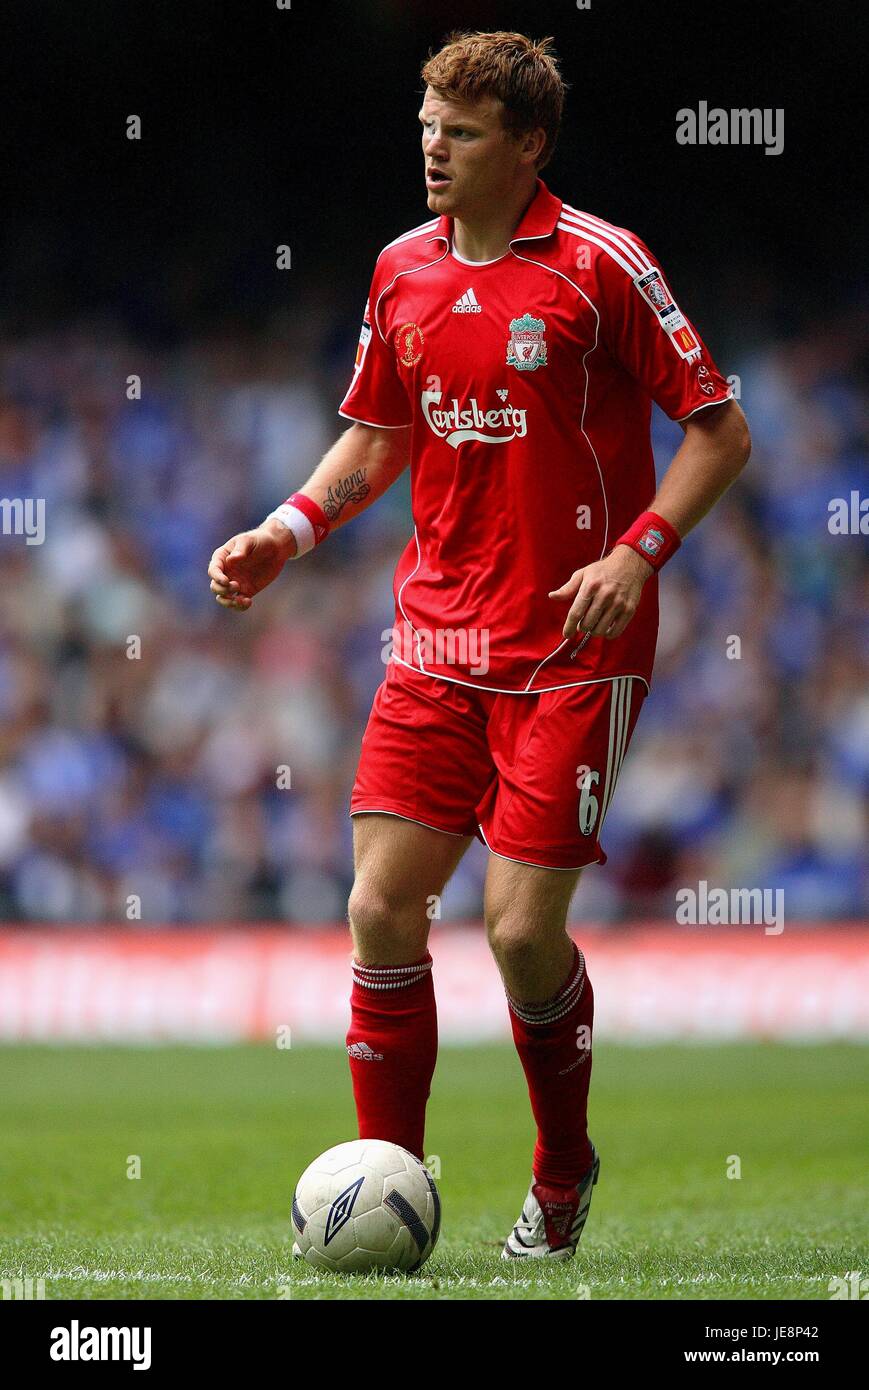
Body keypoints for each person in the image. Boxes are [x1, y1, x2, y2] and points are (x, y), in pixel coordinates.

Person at [208, 29, 751, 1258]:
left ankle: (560, 1171)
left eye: (459, 131)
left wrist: (637, 553)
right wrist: (285, 532)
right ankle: (383, 1193)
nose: (432, 149)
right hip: (433, 642)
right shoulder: (399, 269)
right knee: (380, 910)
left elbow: (719, 432)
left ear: (526, 145)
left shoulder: (601, 264)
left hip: (572, 644)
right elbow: (378, 435)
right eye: (424, 126)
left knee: (516, 931)